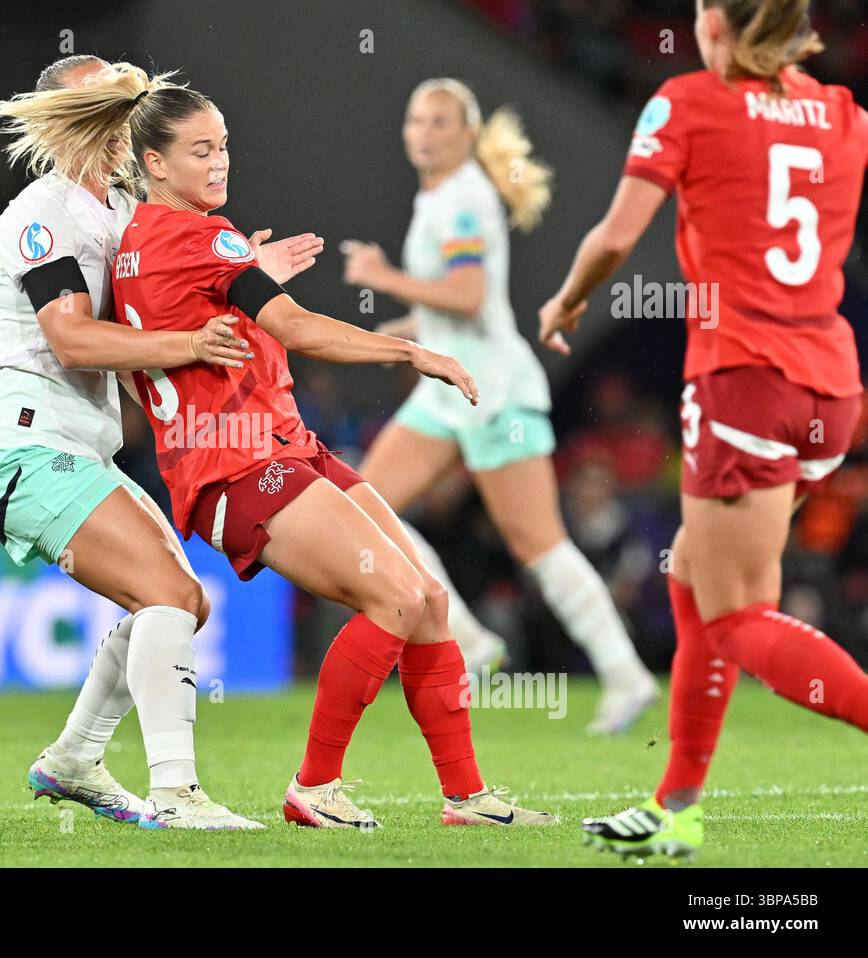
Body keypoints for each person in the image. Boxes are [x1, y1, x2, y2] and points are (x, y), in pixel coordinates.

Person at [107, 73, 558, 829]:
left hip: (276, 447)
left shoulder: (140, 243)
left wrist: (247, 283)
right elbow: (303, 329)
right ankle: (313, 787)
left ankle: (466, 798)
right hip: (243, 465)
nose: (220, 164)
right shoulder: (201, 235)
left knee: (431, 602)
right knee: (399, 599)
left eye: (223, 147)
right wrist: (411, 354)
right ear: (154, 164)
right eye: (199, 151)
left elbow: (154, 349)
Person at [537, 0, 868, 858]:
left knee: (732, 618)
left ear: (715, 21)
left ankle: (682, 805)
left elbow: (617, 235)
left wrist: (569, 297)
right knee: (692, 576)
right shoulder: (843, 113)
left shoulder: (687, 101)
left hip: (746, 382)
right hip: (828, 388)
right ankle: (677, 807)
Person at [0, 55, 322, 830]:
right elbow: (69, 339)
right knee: (165, 593)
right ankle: (176, 791)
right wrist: (190, 344)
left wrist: (245, 272)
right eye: (99, 103)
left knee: (184, 600)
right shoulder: (44, 214)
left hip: (77, 446)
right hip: (23, 444)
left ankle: (73, 760)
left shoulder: (125, 211)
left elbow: (163, 292)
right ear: (64, 121)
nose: (120, 115)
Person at [341, 78, 658, 734]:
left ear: (466, 134)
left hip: (491, 394)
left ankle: (625, 675)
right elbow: (447, 314)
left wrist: (380, 278)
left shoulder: (463, 200)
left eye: (438, 122)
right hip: (448, 387)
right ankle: (471, 640)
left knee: (537, 544)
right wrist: (384, 335)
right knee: (362, 506)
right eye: (415, 120)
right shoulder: (438, 197)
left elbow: (465, 294)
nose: (422, 133)